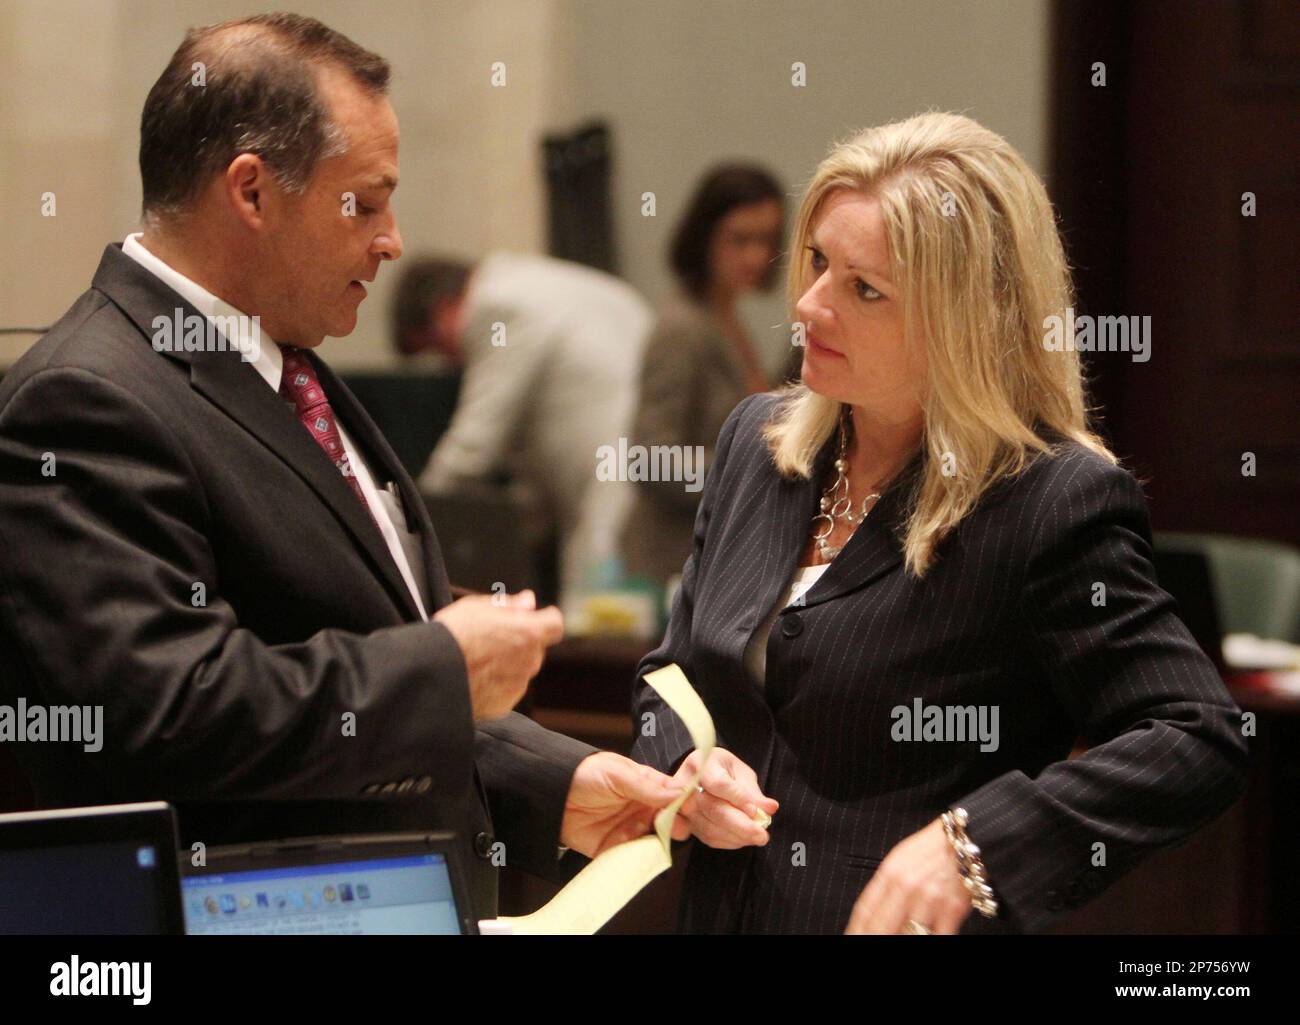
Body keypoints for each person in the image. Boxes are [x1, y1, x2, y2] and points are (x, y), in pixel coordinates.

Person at [0, 13, 700, 923]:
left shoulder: (286, 362)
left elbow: (371, 630)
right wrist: (444, 668)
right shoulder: (83, 399)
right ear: (251, 191)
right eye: (363, 204)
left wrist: (559, 776)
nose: (393, 240)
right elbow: (167, 715)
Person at [630, 112, 1250, 934]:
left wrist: (975, 845)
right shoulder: (758, 441)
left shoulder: (1049, 500)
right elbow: (669, 675)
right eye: (817, 261)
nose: (810, 306)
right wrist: (683, 765)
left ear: (965, 322)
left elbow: (1197, 733)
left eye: (865, 288)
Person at [396, 252, 653, 611]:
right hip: (653, 468)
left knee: (599, 628)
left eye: (437, 349)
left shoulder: (496, 305)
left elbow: (474, 445)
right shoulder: (535, 282)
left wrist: (410, 522)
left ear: (443, 310)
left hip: (612, 483)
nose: (450, 363)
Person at [621, 163, 788, 591]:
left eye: (766, 239)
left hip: (710, 563)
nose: (755, 256)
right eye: (739, 239)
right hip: (668, 568)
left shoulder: (729, 320)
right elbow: (650, 460)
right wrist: (757, 468)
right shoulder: (682, 328)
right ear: (704, 238)